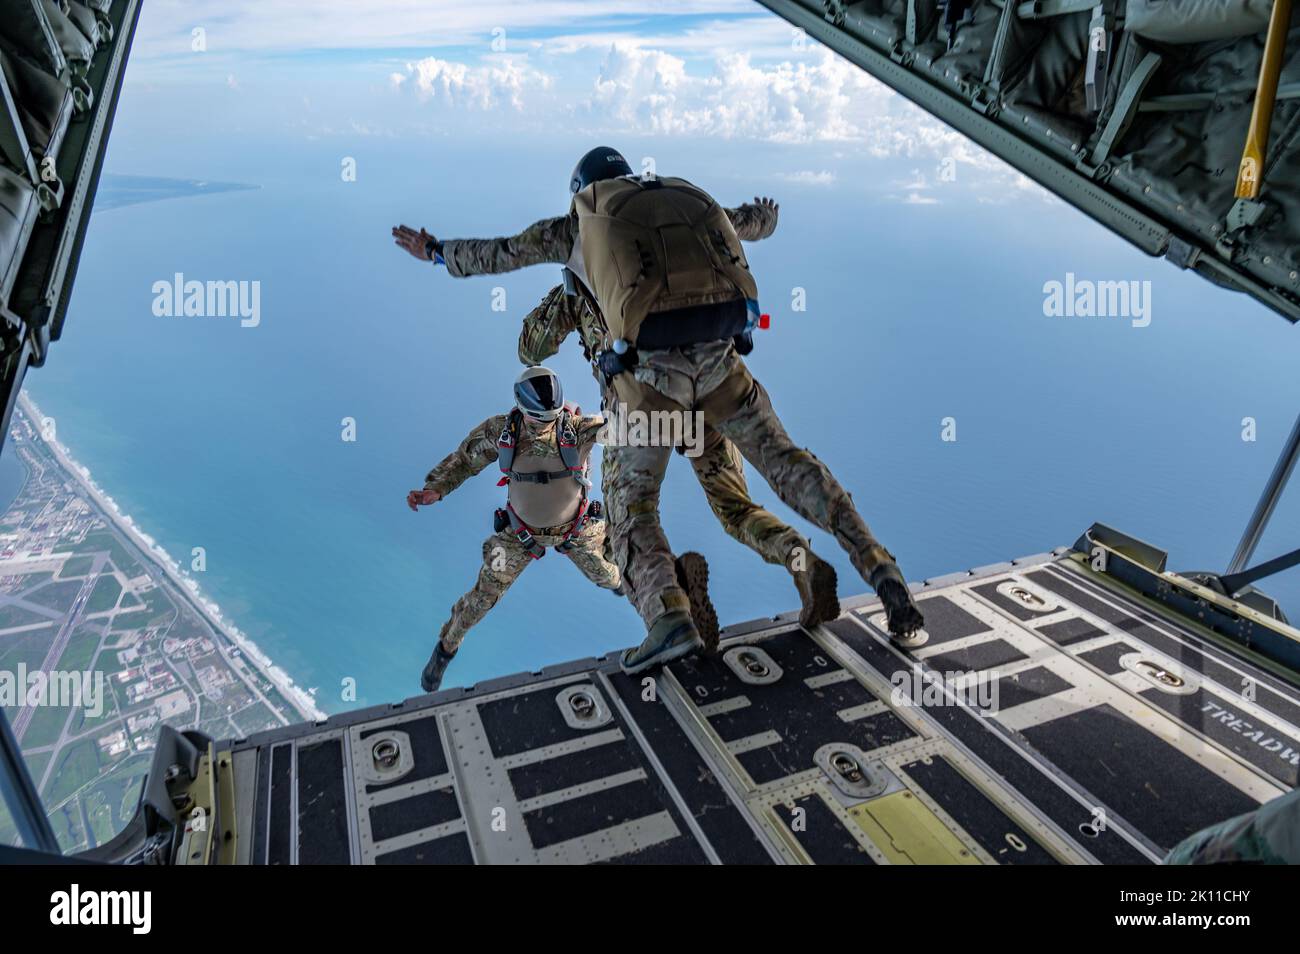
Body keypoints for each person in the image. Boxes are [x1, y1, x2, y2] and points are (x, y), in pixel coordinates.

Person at [394, 147, 924, 675]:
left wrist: (437, 251)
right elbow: (749, 223)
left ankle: (669, 615)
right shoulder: (679, 204)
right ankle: (857, 564)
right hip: (719, 373)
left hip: (645, 399)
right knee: (764, 485)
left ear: (581, 190)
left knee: (633, 514)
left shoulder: (579, 232)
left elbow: (510, 283)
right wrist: (767, 214)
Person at [516, 283, 842, 643]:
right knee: (736, 510)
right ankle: (803, 562)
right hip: (708, 389)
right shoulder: (677, 242)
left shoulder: (586, 272)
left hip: (640, 406)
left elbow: (532, 348)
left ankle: (670, 611)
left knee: (630, 522)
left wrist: (566, 295)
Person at [408, 367, 652, 690]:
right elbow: (466, 459)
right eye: (537, 419)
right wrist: (435, 489)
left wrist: (676, 425)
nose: (542, 426)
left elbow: (622, 429)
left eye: (547, 418)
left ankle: (617, 567)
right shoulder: (503, 432)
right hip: (519, 535)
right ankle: (444, 652)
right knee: (481, 598)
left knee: (610, 576)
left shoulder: (576, 430)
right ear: (522, 406)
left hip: (575, 530)